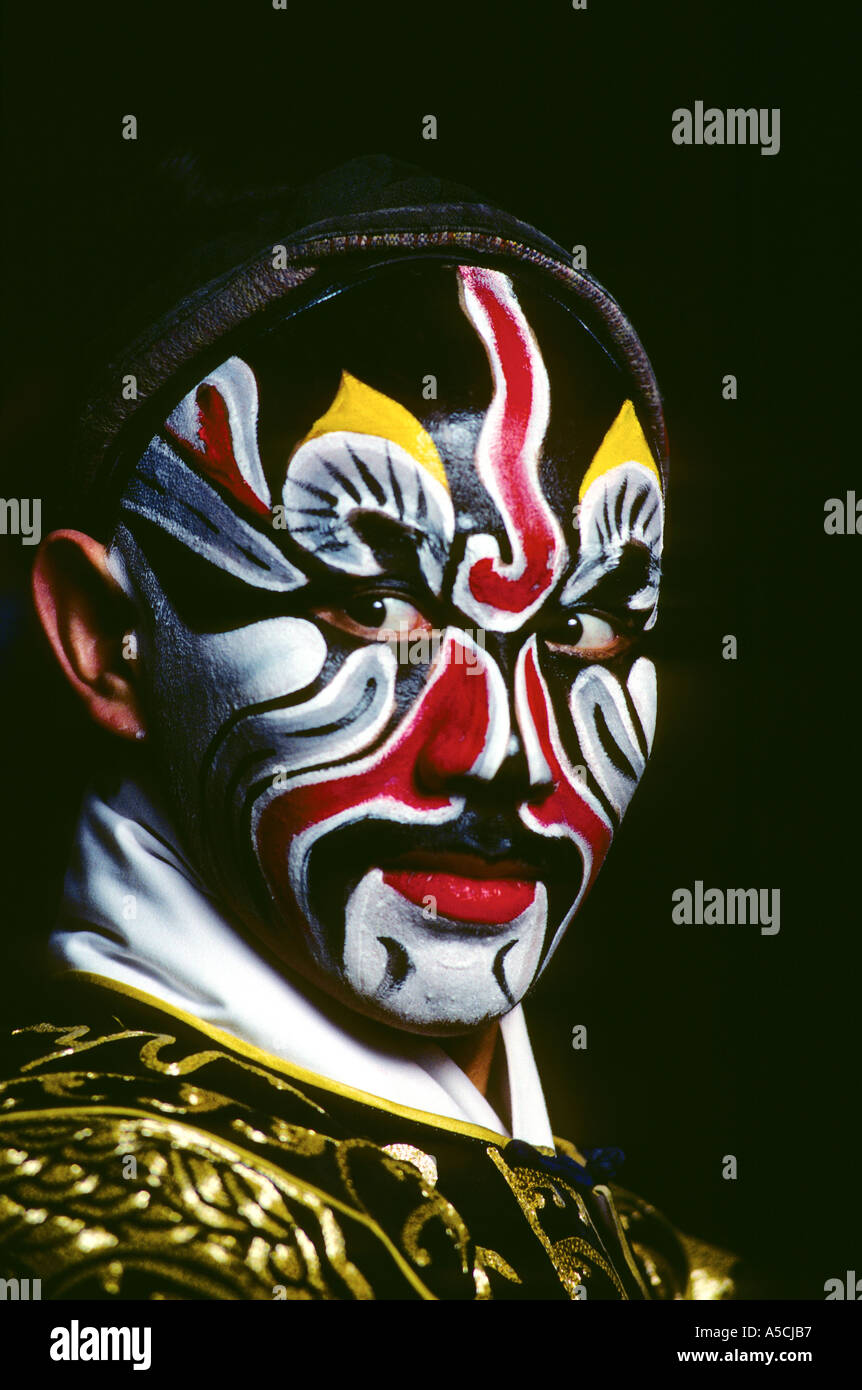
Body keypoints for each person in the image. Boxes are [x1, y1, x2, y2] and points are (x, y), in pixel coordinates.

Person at [0, 156, 740, 1300]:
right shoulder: (70, 1258)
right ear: (103, 636)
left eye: (579, 625)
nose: (500, 751)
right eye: (376, 608)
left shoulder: (662, 1270)